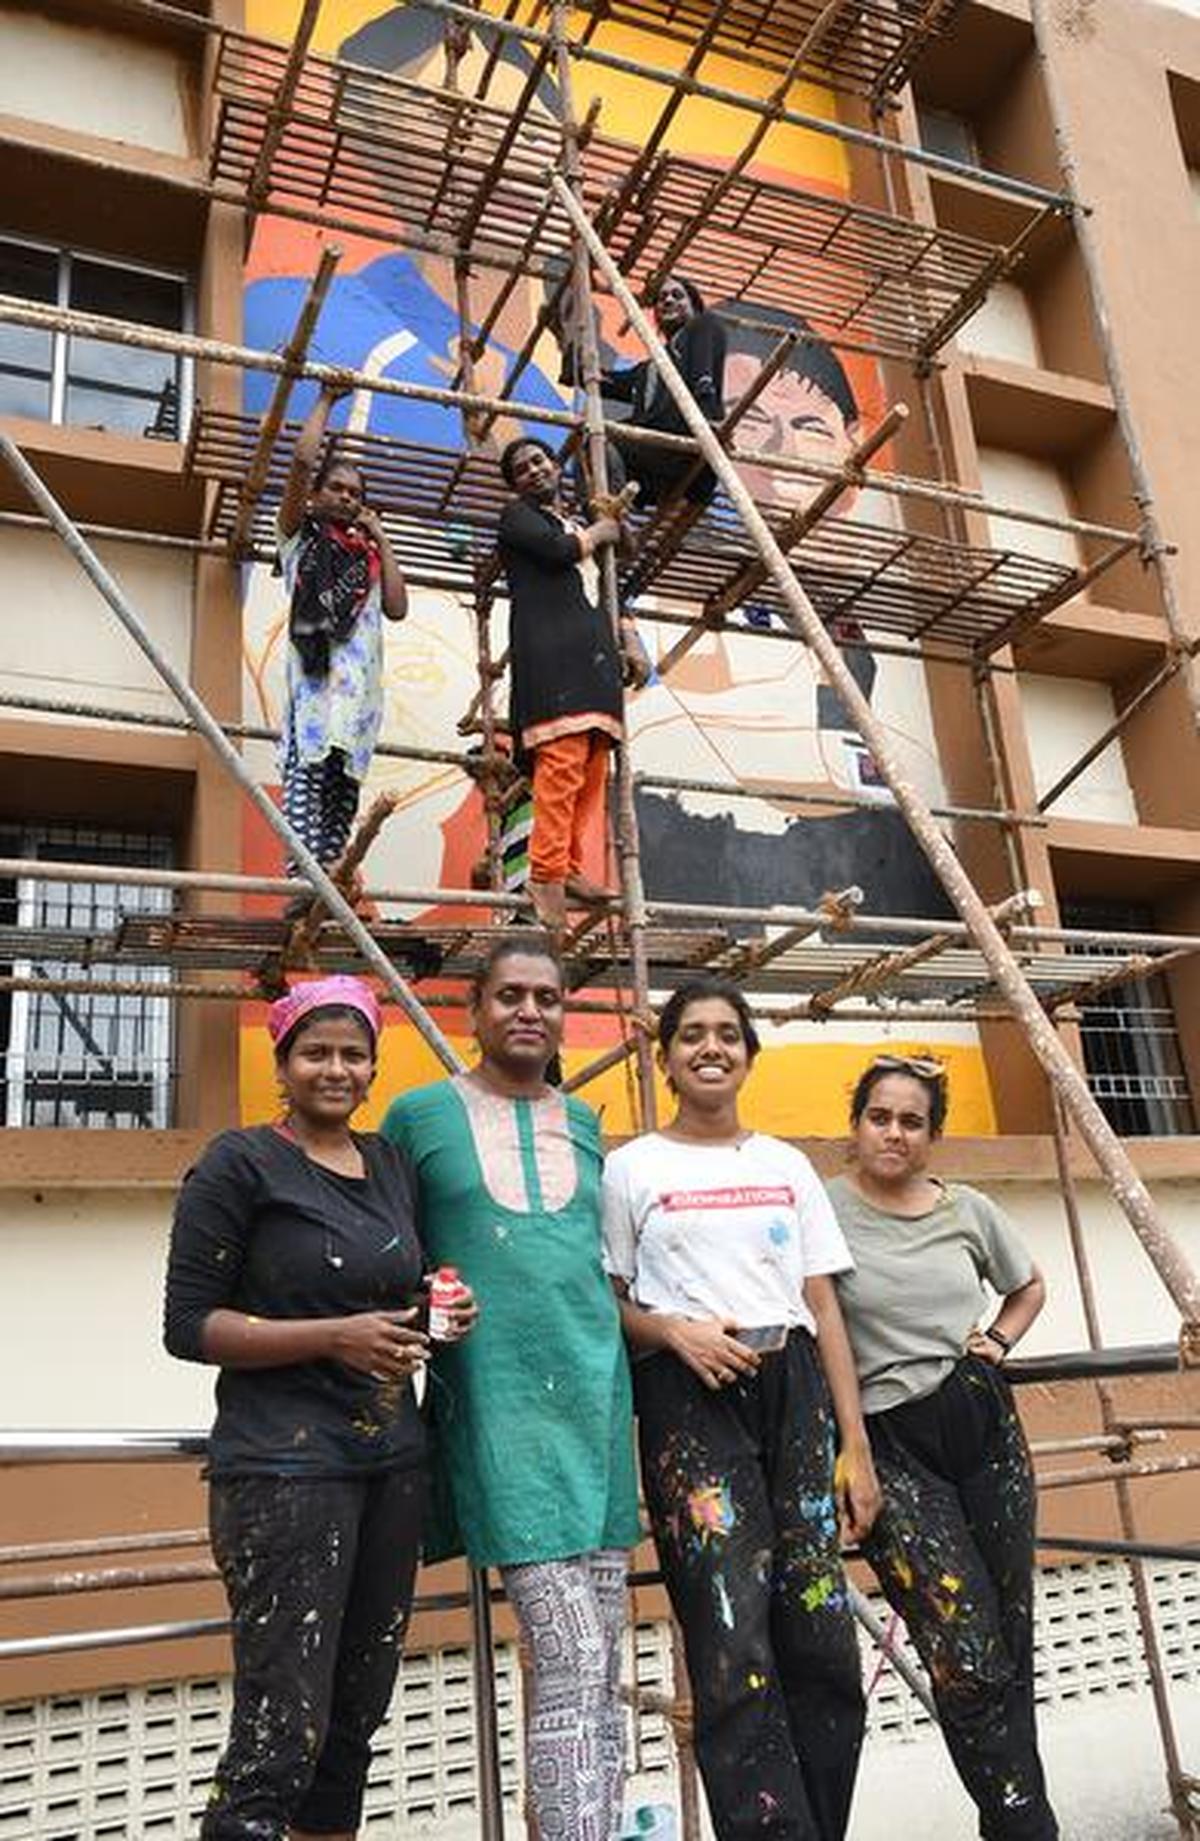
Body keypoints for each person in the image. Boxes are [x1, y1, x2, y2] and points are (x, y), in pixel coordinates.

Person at [163, 974, 473, 1841]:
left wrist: (440, 1313)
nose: (335, 1068)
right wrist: (332, 1336)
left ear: (374, 1065)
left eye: (353, 1053)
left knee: (351, 1721)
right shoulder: (240, 1162)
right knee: (279, 1729)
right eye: (316, 1051)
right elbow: (189, 1325)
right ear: (284, 1060)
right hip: (283, 1471)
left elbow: (401, 1297)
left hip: (390, 1465)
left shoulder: (389, 1164)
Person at [601, 974, 880, 1841]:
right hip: (690, 1400)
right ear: (668, 1056)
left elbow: (823, 1305)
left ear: (750, 1054)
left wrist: (855, 1445)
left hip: (792, 1388)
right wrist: (672, 1332)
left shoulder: (785, 1163)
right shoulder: (631, 1167)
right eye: (692, 1035)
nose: (711, 1047)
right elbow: (605, 1297)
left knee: (823, 1636)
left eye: (728, 1033)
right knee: (731, 1645)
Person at [381, 938, 640, 1841]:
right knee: (567, 1649)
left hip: (597, 1408)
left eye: (547, 996)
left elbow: (603, 1270)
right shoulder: (416, 1118)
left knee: (601, 1659)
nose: (530, 1010)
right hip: (497, 1411)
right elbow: (388, 1251)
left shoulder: (585, 1123)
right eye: (510, 995)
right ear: (473, 1009)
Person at [828, 1054, 1058, 1841]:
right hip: (890, 1442)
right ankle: (1029, 1825)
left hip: (982, 1422)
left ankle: (1014, 1824)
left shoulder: (969, 1209)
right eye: (879, 1116)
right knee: (965, 1652)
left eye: (912, 1121)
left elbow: (1028, 1285)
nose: (894, 1132)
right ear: (855, 1125)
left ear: (933, 1135)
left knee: (1011, 1633)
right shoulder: (823, 1210)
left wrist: (997, 1338)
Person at [497, 434, 647, 930]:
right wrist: (600, 530)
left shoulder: (578, 522)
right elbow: (559, 551)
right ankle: (545, 874)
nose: (534, 470)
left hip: (593, 661)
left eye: (540, 460)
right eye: (522, 468)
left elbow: (618, 563)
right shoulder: (516, 516)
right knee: (561, 764)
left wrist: (629, 638)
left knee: (590, 766)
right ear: (515, 484)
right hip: (553, 659)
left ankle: (570, 866)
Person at [277, 379, 410, 887]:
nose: (347, 497)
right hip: (314, 694)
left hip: (358, 702)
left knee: (340, 798)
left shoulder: (367, 558)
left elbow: (397, 608)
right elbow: (300, 465)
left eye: (356, 494)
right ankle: (299, 885)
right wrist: (326, 401)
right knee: (306, 788)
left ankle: (329, 887)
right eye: (337, 488)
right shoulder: (299, 539)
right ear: (316, 496)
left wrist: (380, 537)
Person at [563, 272, 727, 509]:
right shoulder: (649, 369)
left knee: (603, 438)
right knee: (591, 446)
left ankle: (610, 514)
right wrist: (568, 337)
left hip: (684, 445)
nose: (668, 301)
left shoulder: (702, 326)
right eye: (661, 299)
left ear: (694, 306)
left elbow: (704, 377)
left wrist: (709, 420)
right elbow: (598, 380)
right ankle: (608, 515)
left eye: (677, 295)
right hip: (654, 462)